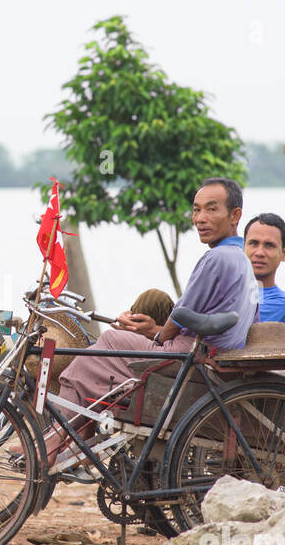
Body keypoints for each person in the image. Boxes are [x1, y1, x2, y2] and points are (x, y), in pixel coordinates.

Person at [48, 179, 257, 457]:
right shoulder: (240, 258)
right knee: (107, 349)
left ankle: (53, 443)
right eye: (196, 210)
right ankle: (73, 435)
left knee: (108, 340)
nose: (200, 219)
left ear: (235, 216)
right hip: (212, 355)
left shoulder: (217, 258)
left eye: (211, 209)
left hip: (190, 355)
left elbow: (177, 319)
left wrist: (157, 334)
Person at [244, 212, 285, 326]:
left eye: (269, 245)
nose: (259, 252)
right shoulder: (224, 285)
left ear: (284, 254)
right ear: (243, 247)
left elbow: (235, 330)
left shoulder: (279, 303)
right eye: (254, 243)